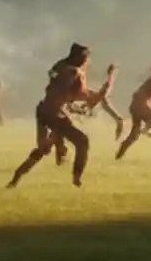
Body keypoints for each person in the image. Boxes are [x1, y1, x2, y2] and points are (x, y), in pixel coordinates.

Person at [8, 42, 106, 188]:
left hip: (44, 110)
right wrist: (93, 94)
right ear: (81, 58)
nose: (88, 62)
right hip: (54, 114)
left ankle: (16, 177)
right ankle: (76, 178)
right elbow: (76, 92)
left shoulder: (60, 66)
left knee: (44, 148)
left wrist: (73, 105)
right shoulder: (73, 72)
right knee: (82, 142)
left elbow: (57, 87)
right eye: (87, 58)